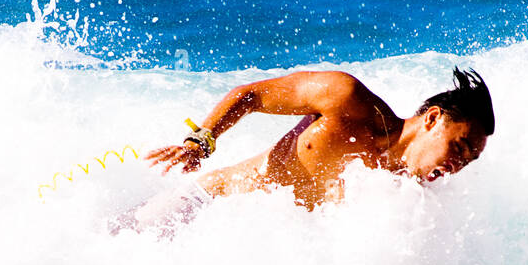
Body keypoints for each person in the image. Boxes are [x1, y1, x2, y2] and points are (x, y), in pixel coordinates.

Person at [133, 66, 494, 224]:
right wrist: (201, 140)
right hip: (205, 206)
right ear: (432, 119)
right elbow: (252, 95)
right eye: (459, 147)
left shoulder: (404, 199)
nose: (458, 165)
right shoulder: (348, 101)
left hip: (240, 251)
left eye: (469, 161)